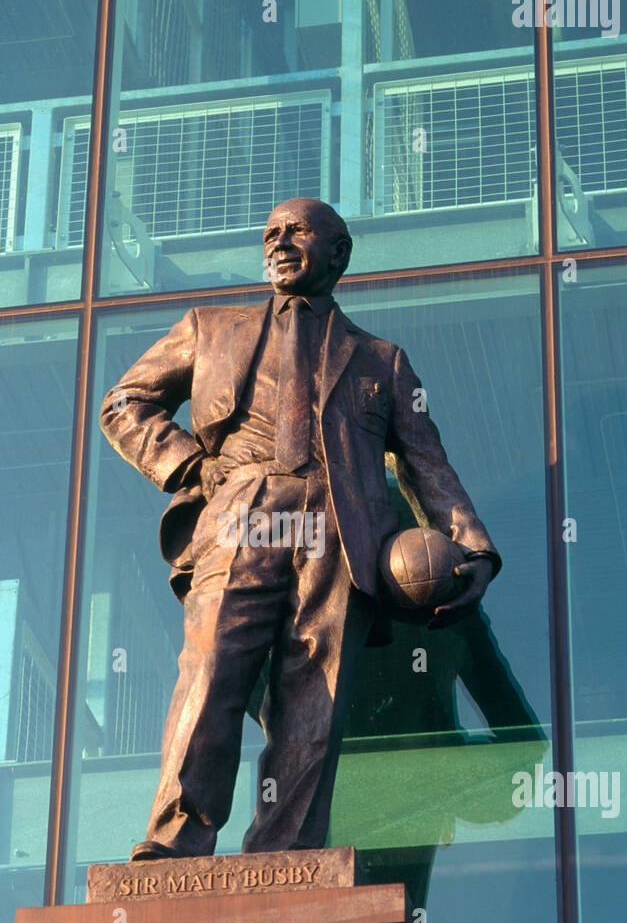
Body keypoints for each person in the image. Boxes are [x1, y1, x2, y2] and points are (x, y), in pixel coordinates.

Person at [99, 198, 501, 860]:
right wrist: (190, 469)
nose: (280, 242)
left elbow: (425, 463)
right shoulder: (209, 328)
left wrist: (473, 546)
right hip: (242, 507)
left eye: (297, 231)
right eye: (271, 233)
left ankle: (286, 849)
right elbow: (125, 402)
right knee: (211, 667)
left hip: (339, 527)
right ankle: (175, 838)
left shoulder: (381, 361)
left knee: (315, 692)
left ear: (337, 253)